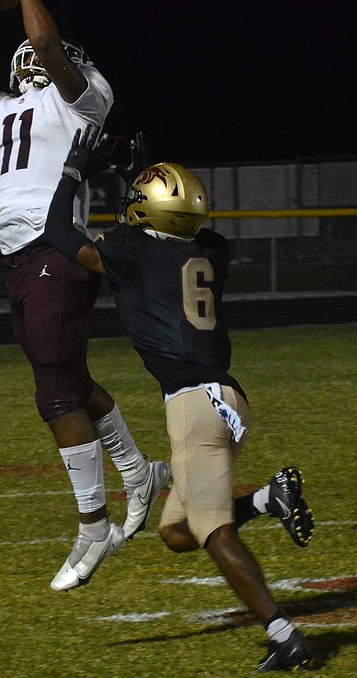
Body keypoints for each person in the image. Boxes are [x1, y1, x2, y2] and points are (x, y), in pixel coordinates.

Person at [43, 126, 318, 672]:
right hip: (230, 399)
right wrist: (134, 177)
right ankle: (269, 499)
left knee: (213, 533)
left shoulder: (131, 251)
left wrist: (74, 171)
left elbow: (56, 232)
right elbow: (169, 234)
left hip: (194, 406)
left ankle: (284, 635)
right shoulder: (214, 250)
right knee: (175, 532)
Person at [0, 0, 172, 593]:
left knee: (54, 394)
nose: (39, 59)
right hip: (15, 258)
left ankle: (93, 525)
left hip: (57, 252)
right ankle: (140, 473)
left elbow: (45, 42)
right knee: (69, 377)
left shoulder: (83, 100)